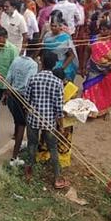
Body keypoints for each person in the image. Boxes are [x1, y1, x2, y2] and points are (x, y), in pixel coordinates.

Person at [24, 51, 67, 189]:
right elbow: (59, 108)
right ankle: (57, 177)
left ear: (41, 62)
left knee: (32, 145)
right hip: (49, 120)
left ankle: (29, 173)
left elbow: (27, 100)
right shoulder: (58, 82)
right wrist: (61, 126)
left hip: (33, 118)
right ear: (54, 64)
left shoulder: (33, 79)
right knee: (53, 148)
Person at [82, 22, 111, 119]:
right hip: (93, 70)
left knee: (105, 92)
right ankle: (89, 111)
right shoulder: (94, 39)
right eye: (101, 29)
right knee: (90, 89)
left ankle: (104, 110)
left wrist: (109, 69)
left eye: (105, 30)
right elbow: (87, 51)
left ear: (110, 30)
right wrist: (83, 66)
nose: (103, 32)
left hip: (108, 71)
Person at [6, 47, 39, 161]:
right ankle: (14, 156)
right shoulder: (33, 65)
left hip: (12, 95)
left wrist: (9, 91)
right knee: (22, 125)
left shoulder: (16, 60)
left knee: (17, 121)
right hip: (22, 97)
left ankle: (17, 145)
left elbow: (8, 77)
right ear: (37, 51)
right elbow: (28, 83)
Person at [43, 14, 78, 82]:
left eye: (55, 26)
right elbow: (44, 52)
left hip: (62, 66)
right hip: (48, 66)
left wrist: (62, 68)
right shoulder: (47, 36)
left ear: (60, 26)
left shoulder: (65, 38)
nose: (53, 28)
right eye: (52, 26)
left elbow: (71, 55)